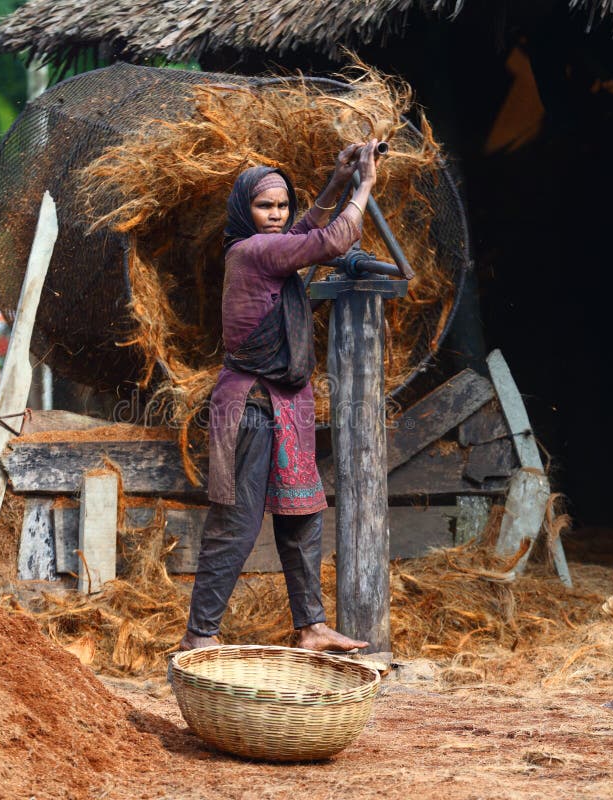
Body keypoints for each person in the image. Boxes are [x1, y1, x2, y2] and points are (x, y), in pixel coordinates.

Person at [179, 140, 383, 653]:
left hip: (284, 402)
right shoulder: (252, 252)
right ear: (243, 212)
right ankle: (200, 635)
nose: (276, 215)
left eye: (282, 205)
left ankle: (311, 627)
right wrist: (366, 186)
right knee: (238, 522)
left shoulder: (269, 247)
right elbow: (332, 240)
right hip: (250, 405)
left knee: (302, 516)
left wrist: (337, 183)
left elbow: (302, 232)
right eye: (264, 206)